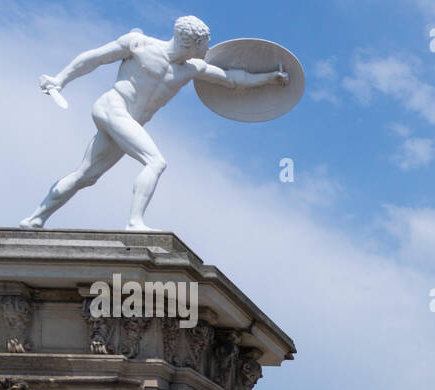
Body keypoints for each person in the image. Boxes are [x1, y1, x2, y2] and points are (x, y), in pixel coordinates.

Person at [20, 16, 288, 230]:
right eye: (204, 44)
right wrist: (60, 79)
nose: (207, 50)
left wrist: (270, 77)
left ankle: (34, 219)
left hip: (128, 122)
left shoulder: (191, 68)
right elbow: (94, 58)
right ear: (190, 42)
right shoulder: (139, 44)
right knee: (156, 162)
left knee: (86, 176)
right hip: (113, 106)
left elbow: (231, 78)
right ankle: (134, 223)